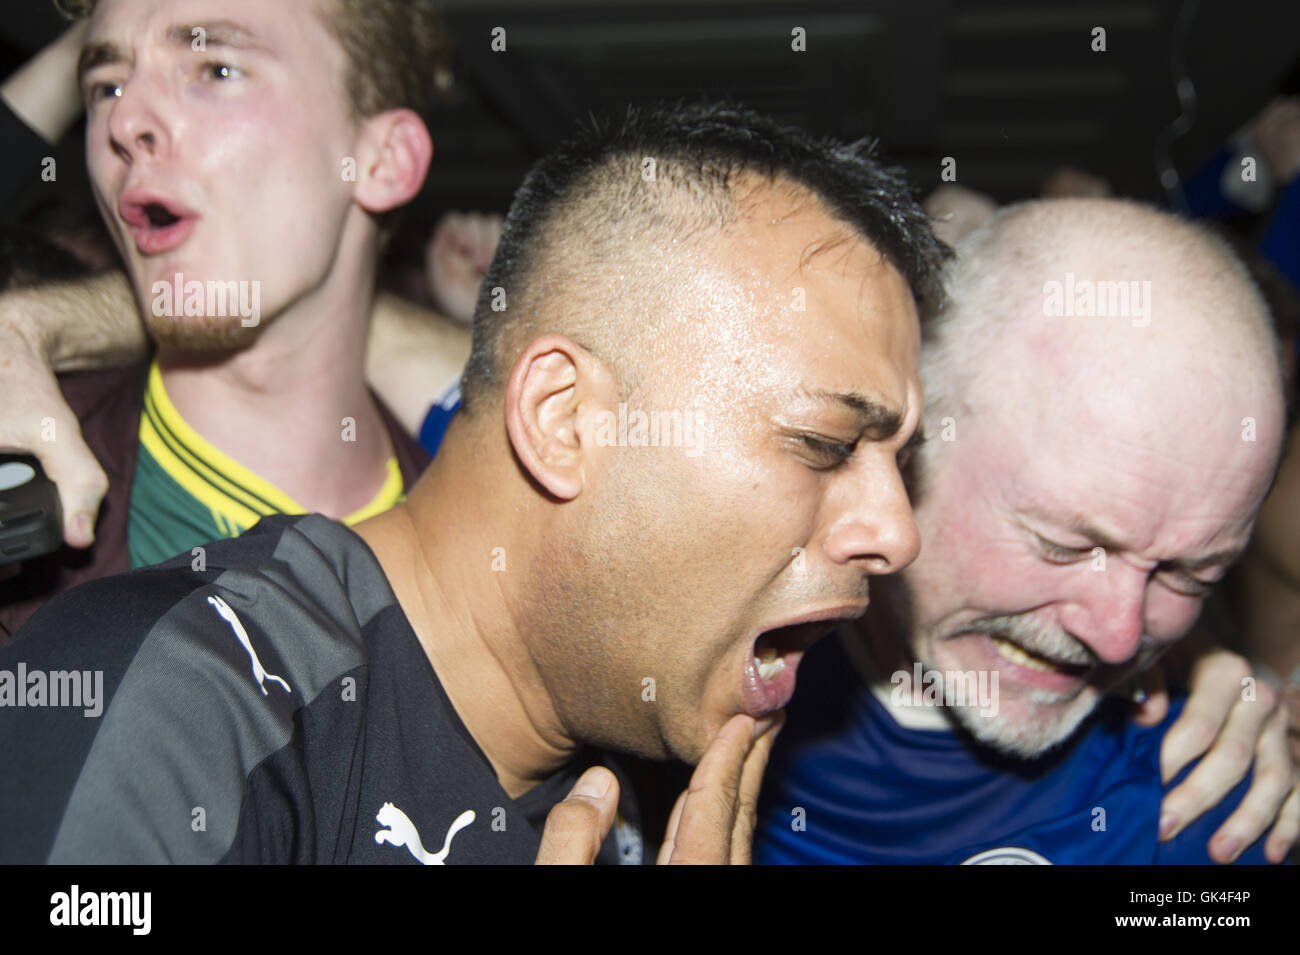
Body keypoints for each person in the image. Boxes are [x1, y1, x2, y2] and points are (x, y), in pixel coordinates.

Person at [0, 100, 945, 863]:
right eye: (825, 442)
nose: (897, 531)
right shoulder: (183, 701)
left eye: (898, 461)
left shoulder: (668, 776)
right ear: (564, 419)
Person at [754, 198, 1300, 864]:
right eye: (1063, 544)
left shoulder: (1203, 803)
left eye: (1191, 573)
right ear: (905, 446)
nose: (1119, 633)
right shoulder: (686, 683)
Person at [0, 0, 456, 636]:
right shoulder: (20, 507)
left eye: (215, 69)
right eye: (106, 86)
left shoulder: (484, 554)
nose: (124, 121)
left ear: (384, 161)